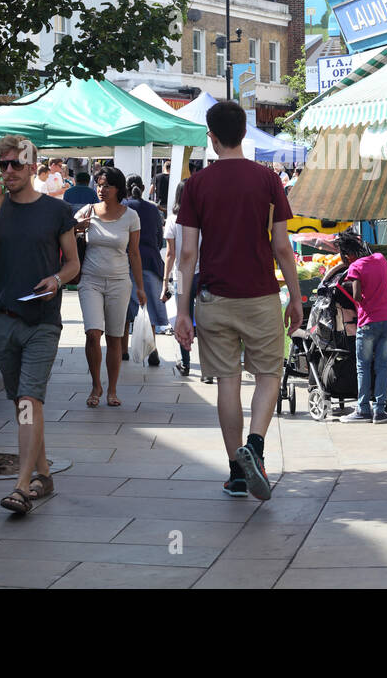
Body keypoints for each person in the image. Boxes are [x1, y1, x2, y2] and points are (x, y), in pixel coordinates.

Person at [175, 100, 302, 500]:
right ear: (244, 134)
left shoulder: (196, 185)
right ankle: (256, 446)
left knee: (227, 383)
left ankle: (237, 473)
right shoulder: (268, 180)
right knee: (268, 375)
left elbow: (187, 254)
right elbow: (282, 247)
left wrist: (181, 310)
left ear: (211, 138)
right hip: (261, 296)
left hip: (213, 298)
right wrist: (296, 298)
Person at [0, 135, 79, 516]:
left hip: (42, 321)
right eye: (2, 165)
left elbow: (73, 264)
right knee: (22, 403)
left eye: (16, 164)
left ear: (33, 166)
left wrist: (57, 280)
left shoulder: (56, 210)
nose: (9, 171)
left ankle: (21, 485)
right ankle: (43, 474)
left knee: (30, 400)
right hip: (2, 319)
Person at [74, 167, 146, 408]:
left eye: (106, 185)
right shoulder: (87, 212)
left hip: (119, 282)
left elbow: (134, 253)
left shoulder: (130, 216)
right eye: (98, 184)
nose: (101, 189)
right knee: (92, 333)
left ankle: (112, 389)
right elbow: (65, 237)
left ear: (118, 188)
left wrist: (141, 287)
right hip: (90, 280)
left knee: (115, 338)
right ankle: (96, 385)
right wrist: (75, 229)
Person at [336, 232, 387, 423]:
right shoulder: (379, 258)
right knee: (382, 367)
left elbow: (356, 295)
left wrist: (364, 295)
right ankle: (380, 411)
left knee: (363, 366)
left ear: (347, 256)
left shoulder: (355, 267)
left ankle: (363, 409)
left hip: (368, 322)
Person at [124, 174, 170, 337]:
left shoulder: (122, 207)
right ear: (143, 188)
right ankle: (151, 346)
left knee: (126, 313)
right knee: (149, 310)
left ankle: (123, 348)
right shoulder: (153, 209)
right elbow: (159, 239)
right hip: (150, 262)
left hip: (126, 263)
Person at [162, 186, 200, 377]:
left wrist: (165, 281)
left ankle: (185, 363)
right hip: (203, 275)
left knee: (183, 316)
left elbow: (170, 253)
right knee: (205, 321)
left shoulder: (172, 219)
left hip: (182, 276)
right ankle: (208, 370)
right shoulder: (203, 216)